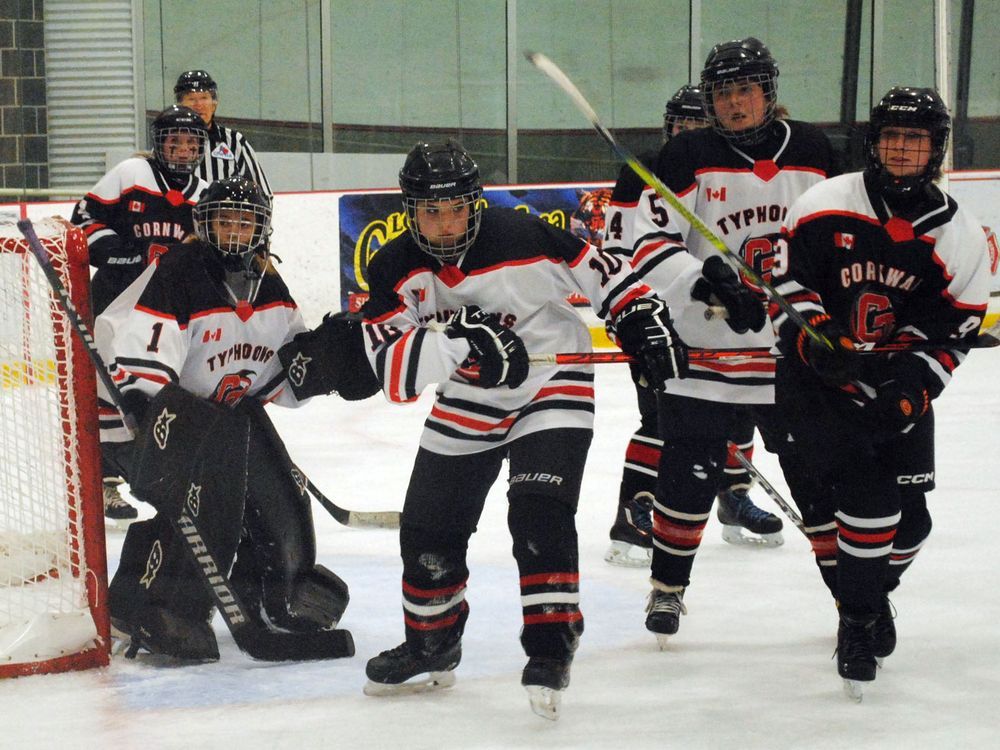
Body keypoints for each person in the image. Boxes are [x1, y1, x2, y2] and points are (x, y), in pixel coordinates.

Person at [358, 140, 687, 719]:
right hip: (467, 399)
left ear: (474, 203)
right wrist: (465, 345)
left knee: (539, 509)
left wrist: (640, 320)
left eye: (455, 208)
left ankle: (550, 646)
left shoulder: (524, 235)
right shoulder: (391, 267)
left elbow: (606, 272)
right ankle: (432, 642)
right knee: (429, 523)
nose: (444, 223)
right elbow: (395, 372)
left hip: (552, 379)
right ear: (410, 210)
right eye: (430, 211)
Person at [600, 38, 839, 644]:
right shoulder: (687, 155)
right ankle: (668, 590)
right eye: (724, 93)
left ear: (769, 92)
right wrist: (703, 278)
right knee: (686, 472)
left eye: (745, 90)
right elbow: (649, 244)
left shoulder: (813, 150)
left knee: (817, 476)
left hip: (794, 349)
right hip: (708, 346)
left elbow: (840, 237)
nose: (734, 103)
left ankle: (855, 599)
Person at [769, 87, 990, 697]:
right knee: (870, 506)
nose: (901, 148)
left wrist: (913, 383)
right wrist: (814, 334)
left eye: (915, 138)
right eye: (891, 135)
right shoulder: (825, 203)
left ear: (936, 148)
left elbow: (958, 327)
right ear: (873, 141)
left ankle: (863, 595)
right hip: (816, 383)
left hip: (893, 378)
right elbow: (784, 280)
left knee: (912, 525)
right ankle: (860, 624)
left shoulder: (959, 235)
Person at [94, 177, 360, 661]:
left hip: (215, 413)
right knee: (208, 494)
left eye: (245, 221)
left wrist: (328, 362)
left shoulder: (267, 283)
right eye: (225, 220)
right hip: (130, 413)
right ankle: (152, 604)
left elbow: (277, 379)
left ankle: (275, 586)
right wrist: (159, 417)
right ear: (204, 225)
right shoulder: (179, 273)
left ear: (262, 228)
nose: (235, 231)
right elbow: (142, 373)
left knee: (278, 488)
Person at [604, 83, 780, 565]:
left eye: (698, 124)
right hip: (660, 318)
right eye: (682, 124)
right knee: (661, 417)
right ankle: (635, 509)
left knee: (739, 409)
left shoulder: (737, 165)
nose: (689, 133)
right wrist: (631, 313)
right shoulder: (643, 171)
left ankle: (733, 497)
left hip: (730, 315)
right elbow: (618, 251)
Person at [72, 103, 210, 521]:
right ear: (160, 143)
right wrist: (130, 254)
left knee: (161, 389)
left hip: (166, 310)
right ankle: (107, 481)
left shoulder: (203, 194)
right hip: (114, 303)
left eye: (191, 143)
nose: (184, 151)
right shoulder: (131, 175)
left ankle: (167, 475)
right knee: (108, 389)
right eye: (176, 142)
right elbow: (82, 221)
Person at [174, 69, 273, 200]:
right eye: (191, 99)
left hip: (224, 220)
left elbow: (263, 196)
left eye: (204, 98)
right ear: (180, 105)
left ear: (214, 104)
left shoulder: (234, 142)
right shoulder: (167, 142)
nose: (198, 105)